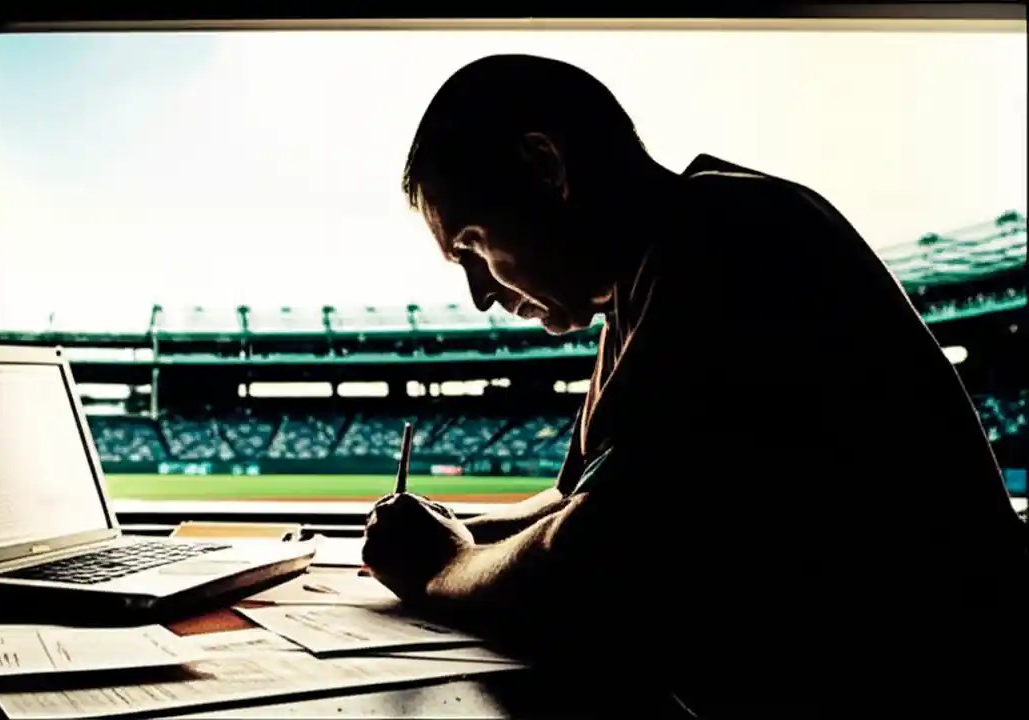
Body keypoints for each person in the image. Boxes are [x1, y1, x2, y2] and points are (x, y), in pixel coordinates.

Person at [360, 54, 1029, 717]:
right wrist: (445, 532)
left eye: (473, 246)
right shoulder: (649, 277)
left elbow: (594, 553)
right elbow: (573, 499)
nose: (480, 295)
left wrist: (444, 568)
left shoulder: (730, 234)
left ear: (546, 168)